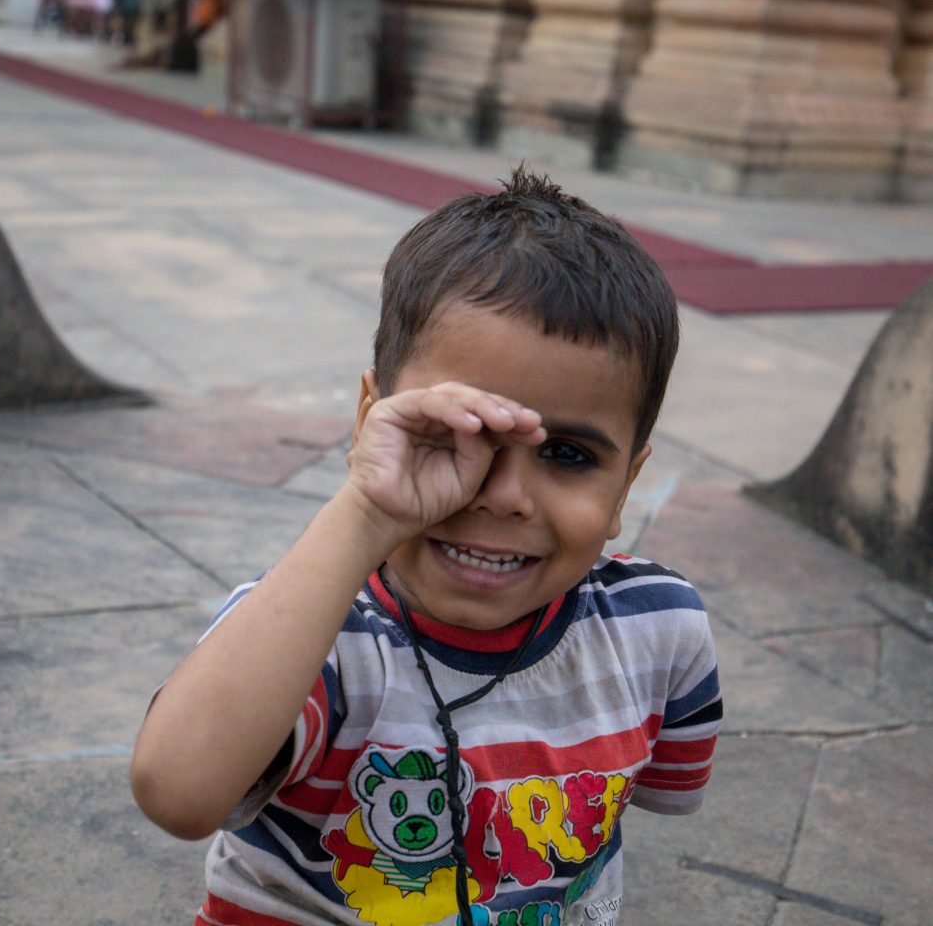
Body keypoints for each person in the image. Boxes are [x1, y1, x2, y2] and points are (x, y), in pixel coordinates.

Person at [131, 167, 723, 926]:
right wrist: (365, 511)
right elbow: (178, 793)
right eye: (451, 435)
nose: (503, 494)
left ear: (625, 485)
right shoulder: (313, 635)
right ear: (370, 420)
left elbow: (654, 800)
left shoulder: (656, 631)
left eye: (568, 455)